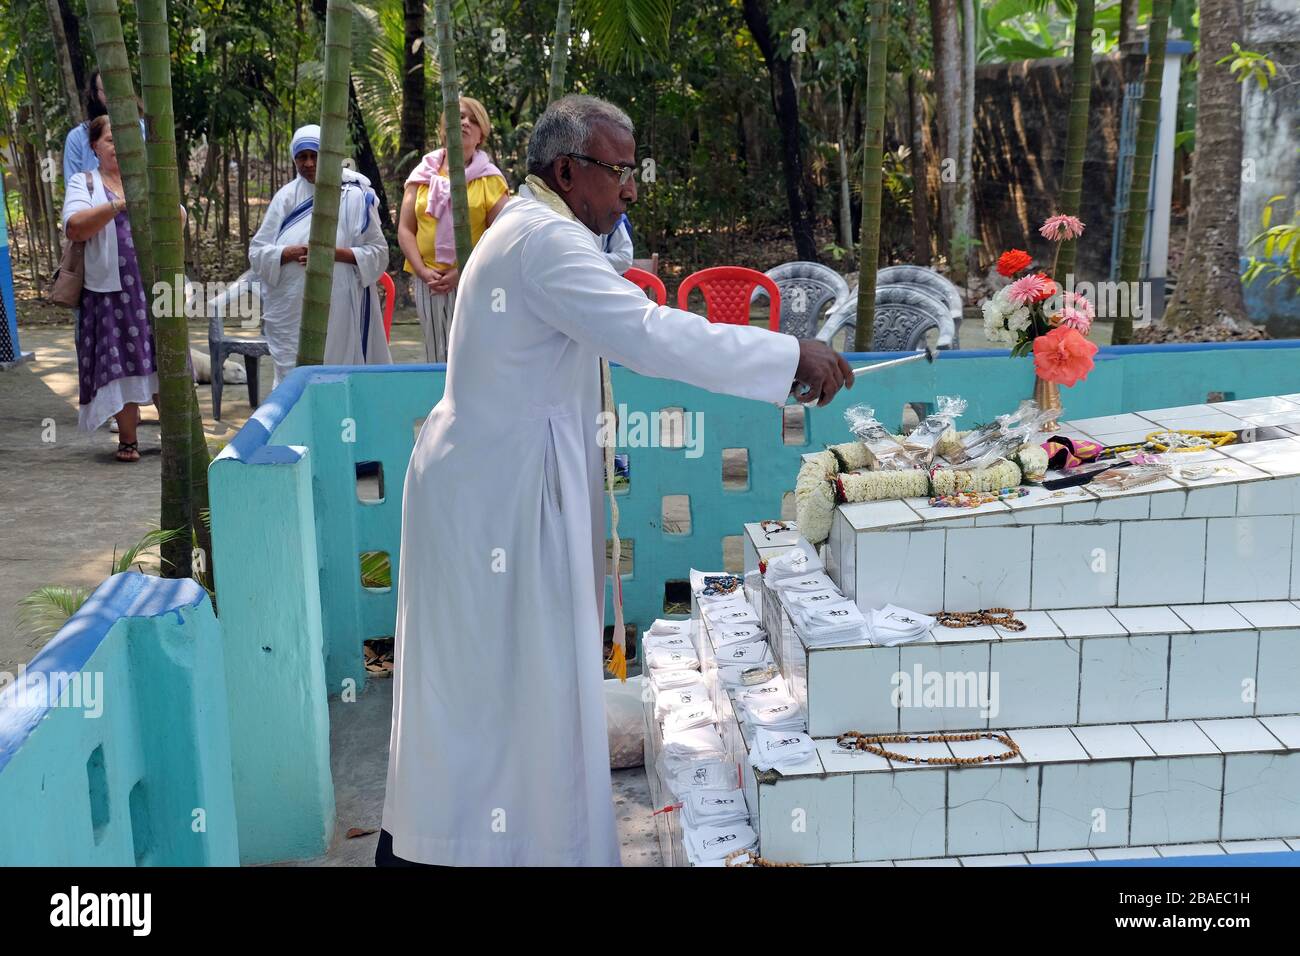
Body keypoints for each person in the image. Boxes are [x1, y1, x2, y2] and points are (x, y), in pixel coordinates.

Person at [378, 95, 852, 867]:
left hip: (498, 483)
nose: (630, 188)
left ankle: (481, 844)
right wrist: (787, 357)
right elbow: (648, 332)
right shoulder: (544, 242)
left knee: (499, 691)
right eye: (618, 172)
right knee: (495, 692)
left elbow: (628, 311)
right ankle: (464, 850)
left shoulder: (538, 229)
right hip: (499, 498)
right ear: (568, 171)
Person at [248, 125, 392, 388]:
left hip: (341, 310)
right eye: (302, 157)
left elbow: (378, 253)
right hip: (291, 313)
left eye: (315, 155)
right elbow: (257, 253)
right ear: (294, 160)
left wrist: (331, 254)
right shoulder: (286, 198)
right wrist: (287, 253)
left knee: (335, 379)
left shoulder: (355, 195)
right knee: (295, 383)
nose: (309, 163)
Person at [61, 117, 158, 461]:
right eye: (110, 140)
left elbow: (179, 218)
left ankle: (178, 436)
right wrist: (118, 204)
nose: (118, 147)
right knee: (120, 362)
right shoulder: (84, 183)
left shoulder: (150, 180)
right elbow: (75, 227)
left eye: (125, 140)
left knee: (163, 359)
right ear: (94, 148)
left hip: (155, 289)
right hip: (108, 292)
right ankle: (128, 440)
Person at [398, 96, 509, 362]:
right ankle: (440, 403)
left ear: (481, 134)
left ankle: (473, 404)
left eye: (473, 120)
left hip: (474, 279)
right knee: (437, 354)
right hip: (430, 281)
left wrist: (463, 272)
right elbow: (405, 229)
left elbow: (502, 236)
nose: (465, 123)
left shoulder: (490, 179)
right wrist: (424, 272)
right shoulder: (422, 175)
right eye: (458, 116)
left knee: (472, 354)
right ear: (443, 129)